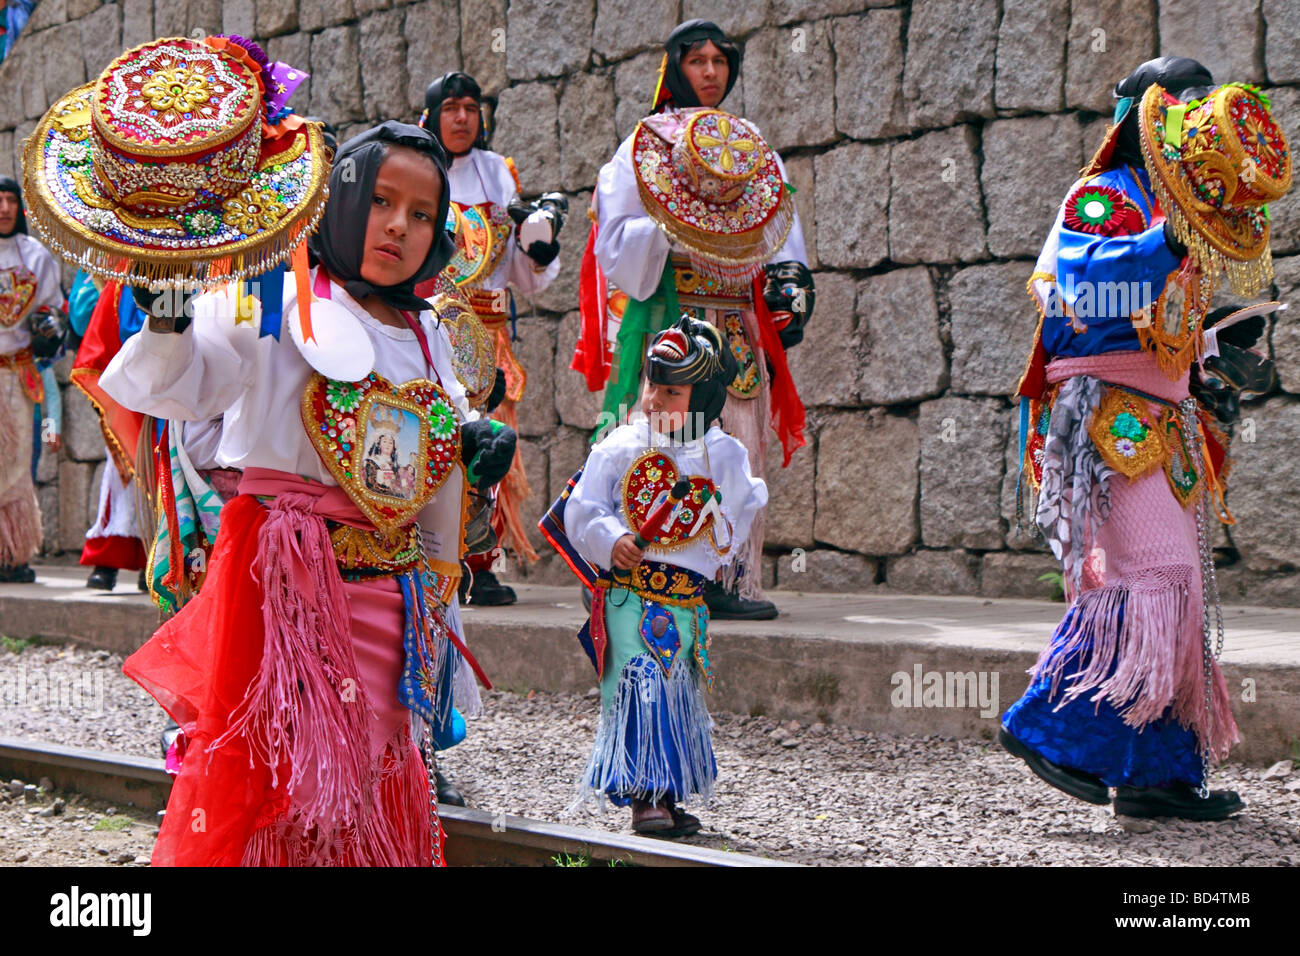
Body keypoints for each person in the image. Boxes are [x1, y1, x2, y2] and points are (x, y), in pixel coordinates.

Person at [29, 32, 477, 865]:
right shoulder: (273, 300)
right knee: (282, 779)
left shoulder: (428, 336)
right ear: (341, 200)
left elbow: (434, 466)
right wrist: (167, 314)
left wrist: (443, 586)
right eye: (382, 201)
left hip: (391, 591)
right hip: (288, 585)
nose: (398, 227)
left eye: (421, 215)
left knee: (377, 773)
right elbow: (183, 388)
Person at [1001, 58, 1292, 821]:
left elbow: (1163, 328)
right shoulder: (1104, 197)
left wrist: (1217, 349)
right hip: (1107, 412)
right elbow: (1080, 285)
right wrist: (1164, 242)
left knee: (1180, 593)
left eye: (1200, 108)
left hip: (1162, 416)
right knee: (1155, 577)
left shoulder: (1180, 218)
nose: (1189, 120)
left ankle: (1154, 775)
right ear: (1137, 115)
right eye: (1176, 105)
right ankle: (1054, 727)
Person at [573, 19, 815, 621]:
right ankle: (661, 564)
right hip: (673, 313)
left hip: (737, 317)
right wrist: (673, 219)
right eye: (697, 61)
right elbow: (616, 235)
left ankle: (729, 573)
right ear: (674, 67)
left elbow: (776, 219)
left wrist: (791, 278)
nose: (710, 73)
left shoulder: (749, 140)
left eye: (720, 61)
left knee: (737, 447)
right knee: (666, 442)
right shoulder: (646, 143)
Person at [561, 316, 766, 835]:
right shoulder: (620, 445)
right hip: (630, 597)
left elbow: (737, 515)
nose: (654, 399)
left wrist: (713, 521)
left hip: (685, 603)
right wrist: (612, 540)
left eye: (671, 391)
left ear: (701, 398)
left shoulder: (722, 455)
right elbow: (582, 509)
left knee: (676, 693)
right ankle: (644, 797)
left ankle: (668, 794)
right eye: (652, 385)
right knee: (640, 687)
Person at [416, 71, 565, 606]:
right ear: (431, 116)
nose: (461, 117)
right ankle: (434, 553)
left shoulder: (500, 175)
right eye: (451, 107)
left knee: (494, 447)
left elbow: (522, 274)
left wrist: (541, 250)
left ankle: (482, 561)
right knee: (438, 437)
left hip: (493, 334)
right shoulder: (418, 169)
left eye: (471, 108)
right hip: (433, 329)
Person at [0, 176, 64, 583]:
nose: (4, 208)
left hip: (18, 376)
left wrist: (48, 329)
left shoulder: (36, 256)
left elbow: (53, 311)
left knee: (18, 463)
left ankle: (13, 554)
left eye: (10, 200)